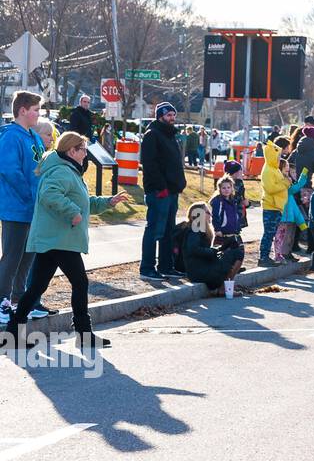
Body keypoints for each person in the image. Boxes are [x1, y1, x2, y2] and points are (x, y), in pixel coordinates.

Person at [3, 132, 130, 347]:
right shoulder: (61, 171)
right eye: (82, 149)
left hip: (56, 238)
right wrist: (72, 212)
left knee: (36, 287)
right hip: (59, 238)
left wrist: (107, 202)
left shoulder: (69, 171)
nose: (85, 153)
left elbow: (82, 202)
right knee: (80, 283)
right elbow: (49, 194)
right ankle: (84, 335)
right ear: (72, 151)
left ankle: (12, 334)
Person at [0, 92, 46, 327]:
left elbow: (40, 169)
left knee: (28, 258)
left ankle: (20, 300)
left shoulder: (34, 138)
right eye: (36, 109)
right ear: (23, 110)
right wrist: (30, 197)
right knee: (12, 257)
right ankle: (2, 302)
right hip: (16, 209)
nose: (39, 113)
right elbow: (10, 171)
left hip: (34, 210)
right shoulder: (10, 136)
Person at [138, 102, 186, 281]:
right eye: (168, 115)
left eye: (173, 115)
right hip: (159, 192)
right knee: (154, 229)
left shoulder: (170, 135)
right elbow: (150, 165)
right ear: (160, 116)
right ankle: (147, 268)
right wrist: (161, 187)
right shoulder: (152, 135)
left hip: (172, 191)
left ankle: (166, 266)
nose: (172, 118)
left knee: (168, 230)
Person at [182, 203, 243, 298]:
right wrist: (213, 252)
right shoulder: (195, 230)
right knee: (238, 254)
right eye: (208, 212)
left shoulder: (199, 228)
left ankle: (224, 287)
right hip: (199, 272)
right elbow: (193, 249)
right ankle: (223, 289)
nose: (210, 215)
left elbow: (202, 249)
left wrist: (220, 248)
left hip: (203, 267)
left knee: (232, 251)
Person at [259, 139, 290, 267]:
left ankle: (266, 256)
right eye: (277, 156)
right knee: (268, 233)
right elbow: (271, 188)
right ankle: (263, 257)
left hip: (277, 206)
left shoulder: (274, 169)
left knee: (271, 233)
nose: (279, 159)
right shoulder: (268, 170)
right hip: (270, 207)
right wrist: (285, 183)